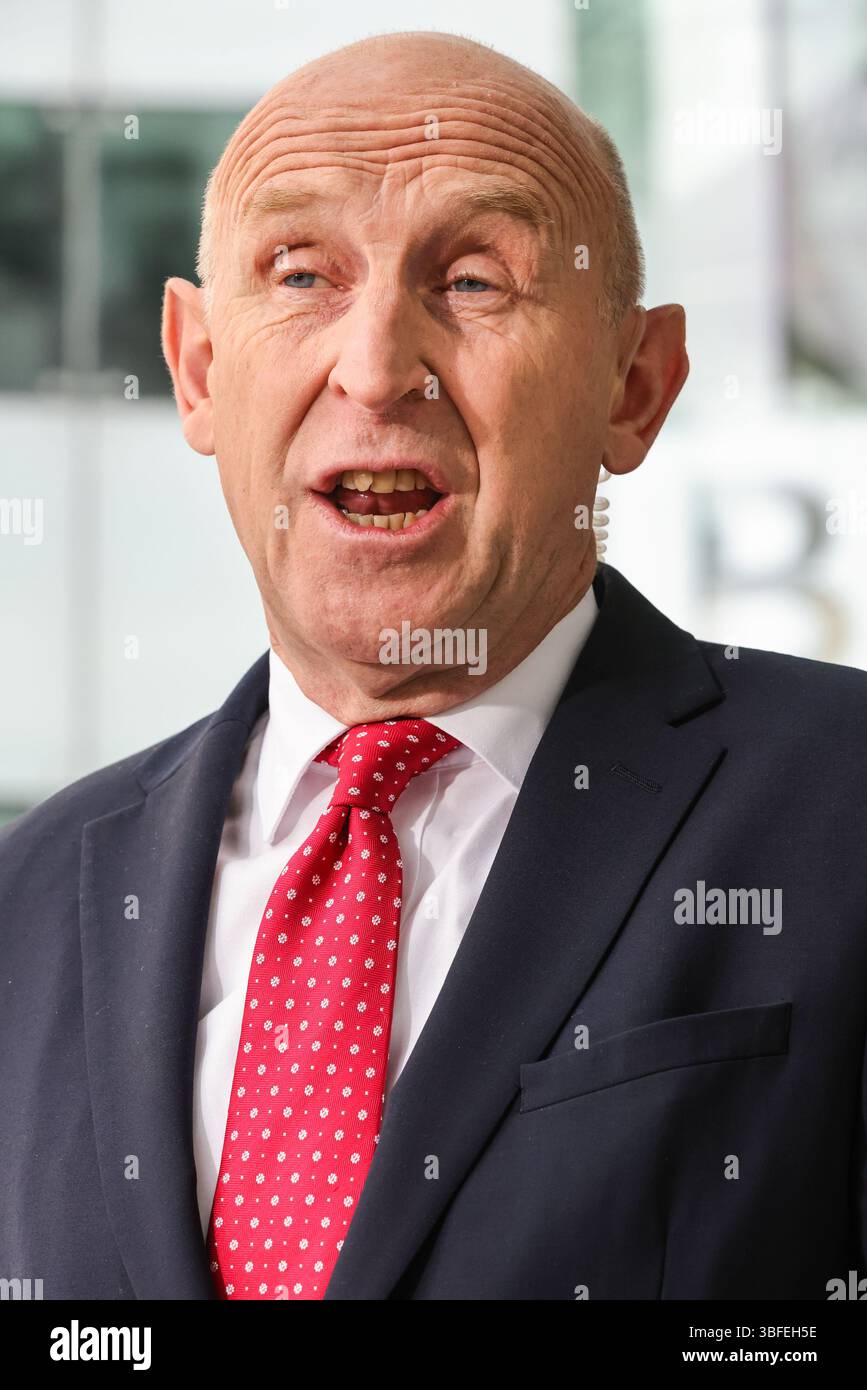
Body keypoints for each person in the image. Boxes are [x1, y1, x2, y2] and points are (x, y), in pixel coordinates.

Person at [1, 31, 865, 1302]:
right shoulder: (26, 904)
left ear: (634, 385)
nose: (374, 370)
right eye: (302, 274)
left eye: (472, 281)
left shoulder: (842, 800)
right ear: (198, 368)